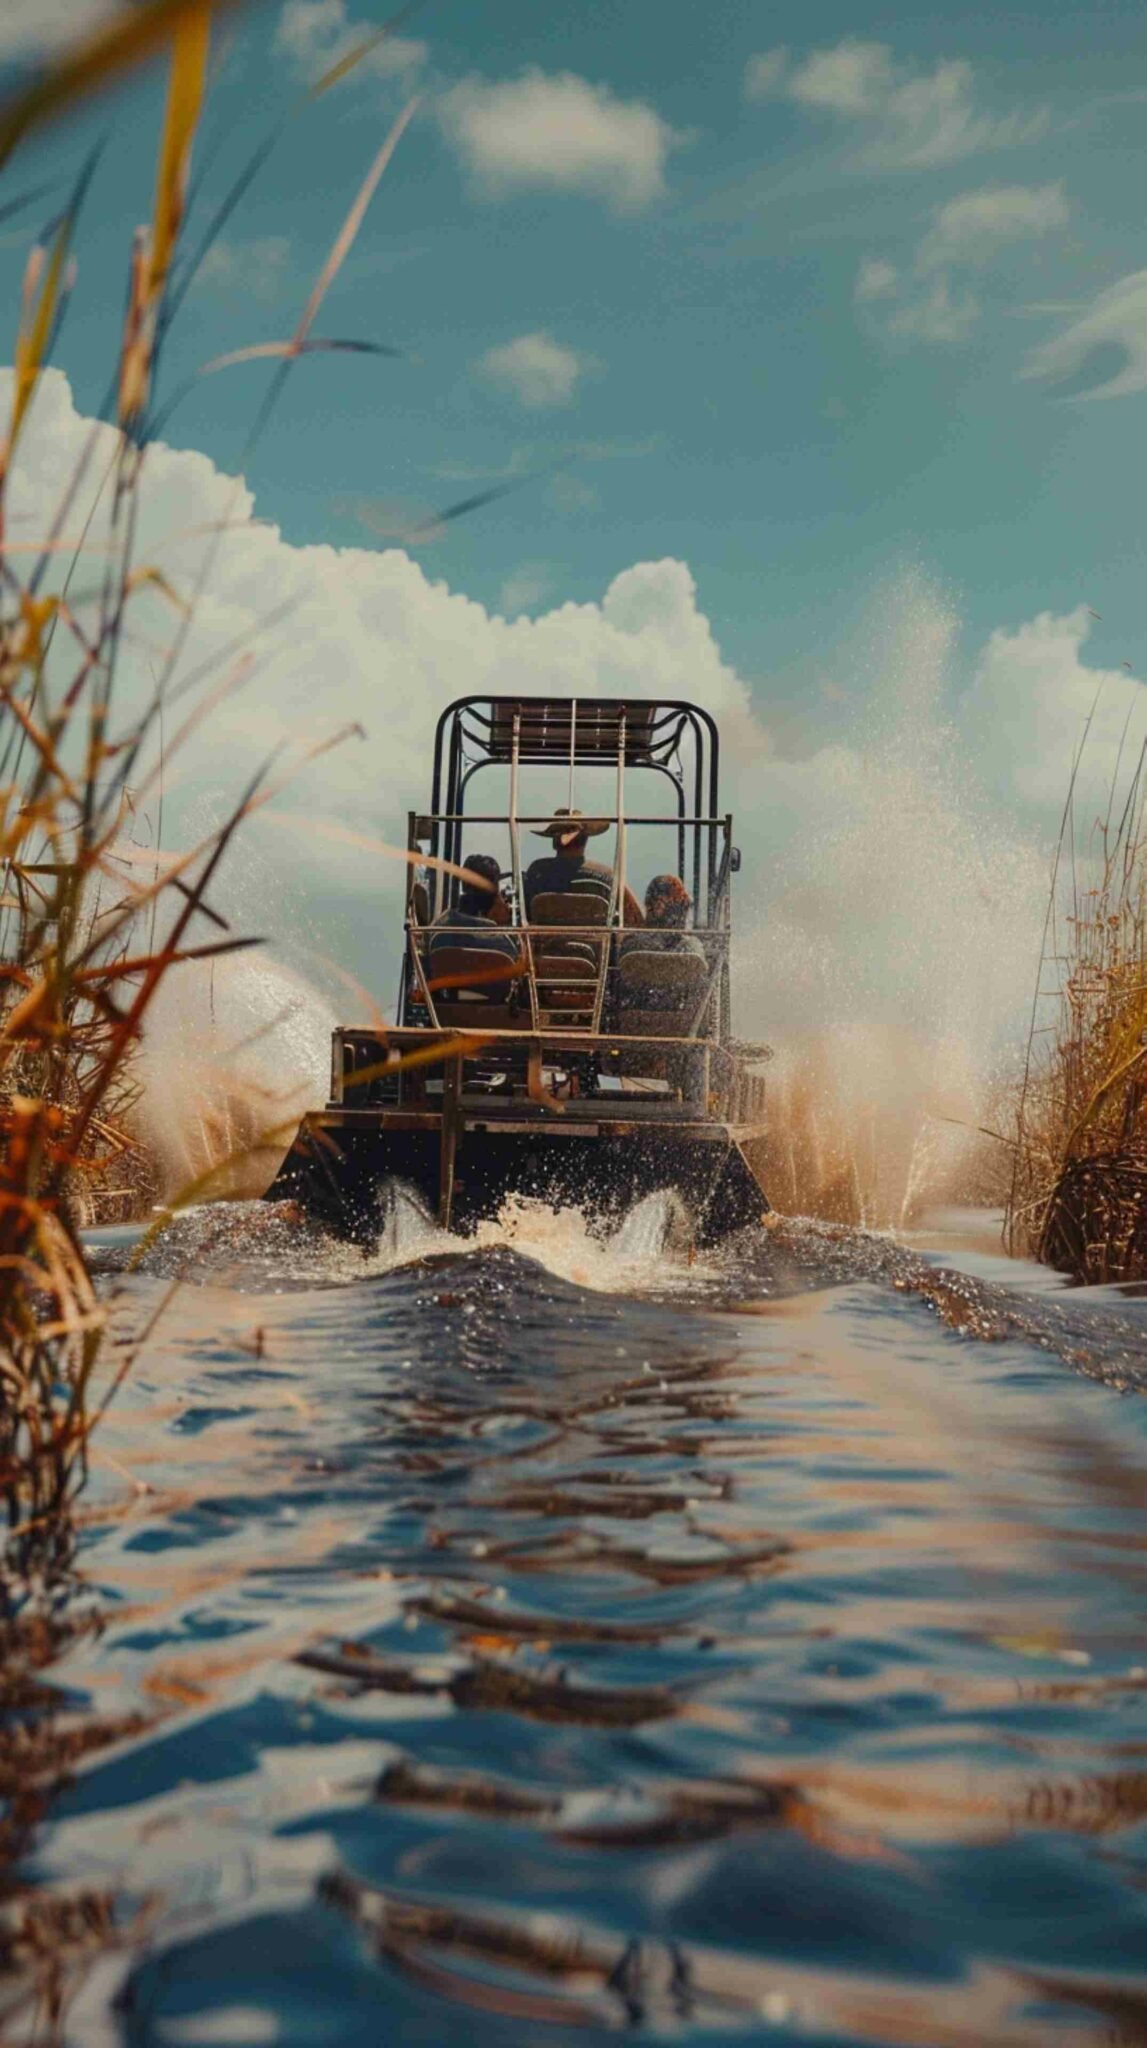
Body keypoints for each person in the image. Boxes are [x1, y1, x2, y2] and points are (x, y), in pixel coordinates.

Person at [523, 808, 644, 925]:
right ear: (586, 839)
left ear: (554, 843)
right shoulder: (606, 875)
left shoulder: (537, 871)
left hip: (542, 945)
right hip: (596, 945)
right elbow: (637, 917)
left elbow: (524, 914)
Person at [428, 853, 520, 996]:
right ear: (495, 895)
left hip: (444, 1012)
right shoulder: (503, 944)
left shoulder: (439, 929)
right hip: (497, 1015)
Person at [618, 874, 706, 1014]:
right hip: (684, 1021)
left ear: (649, 905)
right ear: (681, 909)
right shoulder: (692, 948)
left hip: (634, 1018)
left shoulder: (631, 946)